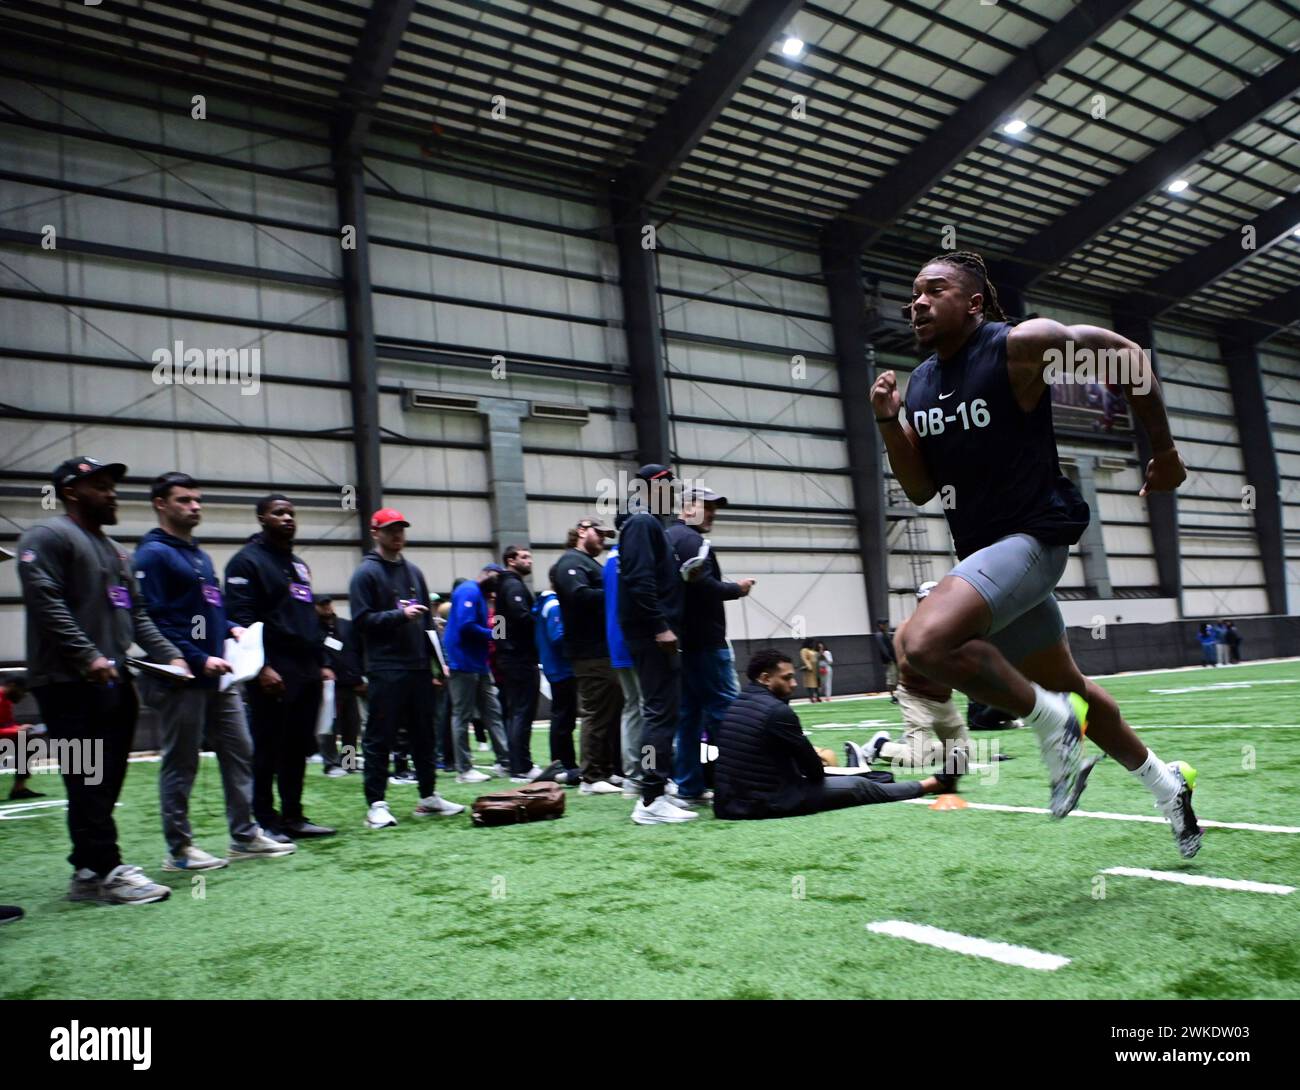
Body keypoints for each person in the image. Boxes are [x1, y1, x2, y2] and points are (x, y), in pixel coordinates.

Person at [874, 249, 1201, 857]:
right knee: (1070, 685)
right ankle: (1166, 782)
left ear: (972, 302)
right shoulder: (921, 381)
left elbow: (1125, 356)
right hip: (986, 554)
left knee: (919, 645)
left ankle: (1051, 724)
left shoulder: (1020, 345)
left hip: (1033, 538)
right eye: (912, 294)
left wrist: (1164, 449)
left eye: (933, 290)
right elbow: (920, 488)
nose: (916, 302)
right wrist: (892, 425)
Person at [17, 455, 190, 905]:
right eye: (100, 485)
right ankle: (109, 870)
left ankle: (89, 870)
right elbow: (45, 601)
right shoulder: (49, 537)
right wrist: (88, 656)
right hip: (67, 683)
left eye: (113, 485)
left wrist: (170, 655)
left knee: (105, 779)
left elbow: (137, 615)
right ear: (71, 491)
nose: (112, 493)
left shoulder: (116, 553)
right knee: (87, 777)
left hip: (113, 680)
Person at [134, 472, 293, 869]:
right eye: (184, 500)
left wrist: (229, 628)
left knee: (241, 750)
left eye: (197, 500)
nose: (195, 506)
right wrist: (193, 656)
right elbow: (153, 617)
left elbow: (208, 609)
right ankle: (180, 850)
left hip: (220, 675)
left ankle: (243, 836)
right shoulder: (153, 554)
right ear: (161, 504)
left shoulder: (199, 556)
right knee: (181, 761)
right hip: (183, 677)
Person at [713, 649, 956, 820]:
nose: (794, 684)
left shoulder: (737, 704)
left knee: (863, 777)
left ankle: (867, 766)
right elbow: (814, 772)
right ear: (765, 679)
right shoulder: (777, 711)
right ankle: (932, 784)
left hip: (729, 803)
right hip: (768, 802)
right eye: (786, 678)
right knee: (859, 786)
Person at [225, 494, 336, 841]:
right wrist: (261, 668)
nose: (287, 518)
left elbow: (307, 616)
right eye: (278, 513)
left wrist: (321, 664)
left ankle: (293, 815)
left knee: (298, 744)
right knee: (268, 745)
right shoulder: (245, 562)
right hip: (272, 663)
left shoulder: (299, 565)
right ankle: (264, 820)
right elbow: (240, 619)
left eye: (291, 513)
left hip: (305, 664)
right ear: (261, 518)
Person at [349, 508, 464, 829]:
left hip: (417, 668)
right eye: (390, 530)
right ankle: (376, 804)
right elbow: (361, 621)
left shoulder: (414, 572)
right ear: (376, 533)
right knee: (380, 736)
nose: (397, 534)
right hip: (386, 667)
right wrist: (399, 616)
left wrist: (438, 667)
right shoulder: (365, 574)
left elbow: (427, 624)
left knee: (424, 734)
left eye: (401, 528)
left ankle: (428, 797)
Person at [618, 465, 697, 825]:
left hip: (654, 631)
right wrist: (660, 626)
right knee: (658, 713)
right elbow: (639, 579)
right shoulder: (642, 522)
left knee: (663, 711)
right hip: (652, 634)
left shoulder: (649, 524)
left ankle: (658, 788)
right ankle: (649, 800)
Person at [665, 484, 753, 802]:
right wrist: (737, 589)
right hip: (705, 641)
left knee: (689, 716)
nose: (713, 513)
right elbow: (701, 586)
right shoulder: (692, 540)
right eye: (708, 506)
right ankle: (741, 782)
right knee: (726, 712)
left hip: (685, 642)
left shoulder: (670, 537)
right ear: (687, 507)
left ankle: (689, 785)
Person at [845, 584, 971, 771]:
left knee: (964, 752)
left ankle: (912, 747)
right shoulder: (908, 628)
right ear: (921, 602)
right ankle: (880, 747)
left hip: (944, 700)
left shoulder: (945, 627)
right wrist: (934, 653)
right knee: (920, 760)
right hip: (917, 699)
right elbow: (905, 666)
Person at [550, 518, 624, 794]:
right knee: (596, 711)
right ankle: (592, 777)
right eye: (599, 533)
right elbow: (579, 596)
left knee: (609, 710)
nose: (603, 539)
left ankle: (604, 769)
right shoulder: (571, 562)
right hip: (588, 650)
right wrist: (615, 593)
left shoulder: (589, 563)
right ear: (582, 531)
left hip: (601, 649)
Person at [444, 564, 511, 784]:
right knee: (462, 715)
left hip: (478, 663)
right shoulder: (469, 590)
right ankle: (464, 769)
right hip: (463, 662)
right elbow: (465, 626)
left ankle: (505, 760)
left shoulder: (481, 595)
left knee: (493, 711)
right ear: (486, 574)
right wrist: (493, 634)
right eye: (496, 579)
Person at [495, 545, 543, 782]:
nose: (529, 561)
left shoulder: (502, 585)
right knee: (522, 713)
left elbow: (499, 625)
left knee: (516, 712)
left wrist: (502, 648)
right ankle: (520, 766)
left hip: (510, 657)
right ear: (511, 560)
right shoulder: (513, 585)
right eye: (524, 557)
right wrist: (539, 622)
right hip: (520, 658)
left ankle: (518, 764)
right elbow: (520, 616)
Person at [602, 534, 644, 794]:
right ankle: (649, 775)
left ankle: (634, 777)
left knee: (632, 709)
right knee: (650, 709)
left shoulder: (610, 558)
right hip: (638, 640)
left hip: (616, 640)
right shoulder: (637, 552)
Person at [314, 597, 365, 777]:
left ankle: (348, 762)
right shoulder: (312, 628)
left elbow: (357, 651)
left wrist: (360, 677)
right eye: (322, 604)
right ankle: (330, 764)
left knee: (352, 725)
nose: (327, 607)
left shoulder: (346, 626)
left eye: (328, 603)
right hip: (327, 685)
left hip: (349, 682)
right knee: (329, 726)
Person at [534, 586, 579, 784]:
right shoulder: (554, 605)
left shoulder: (545, 604)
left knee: (562, 717)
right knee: (563, 718)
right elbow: (558, 636)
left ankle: (561, 763)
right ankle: (564, 764)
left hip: (555, 666)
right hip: (561, 667)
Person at [1, 674, 42, 801]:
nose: (23, 696)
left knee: (28, 743)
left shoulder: (6, 701)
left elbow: (7, 724)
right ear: (12, 686)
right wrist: (17, 730)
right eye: (23, 691)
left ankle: (19, 789)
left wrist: (21, 728)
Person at [875, 620, 898, 700]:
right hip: (889, 660)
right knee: (891, 678)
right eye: (884, 624)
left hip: (893, 659)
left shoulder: (885, 634)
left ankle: (896, 695)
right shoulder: (879, 635)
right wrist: (889, 658)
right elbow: (883, 648)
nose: (885, 625)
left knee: (895, 677)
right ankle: (893, 696)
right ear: (879, 625)